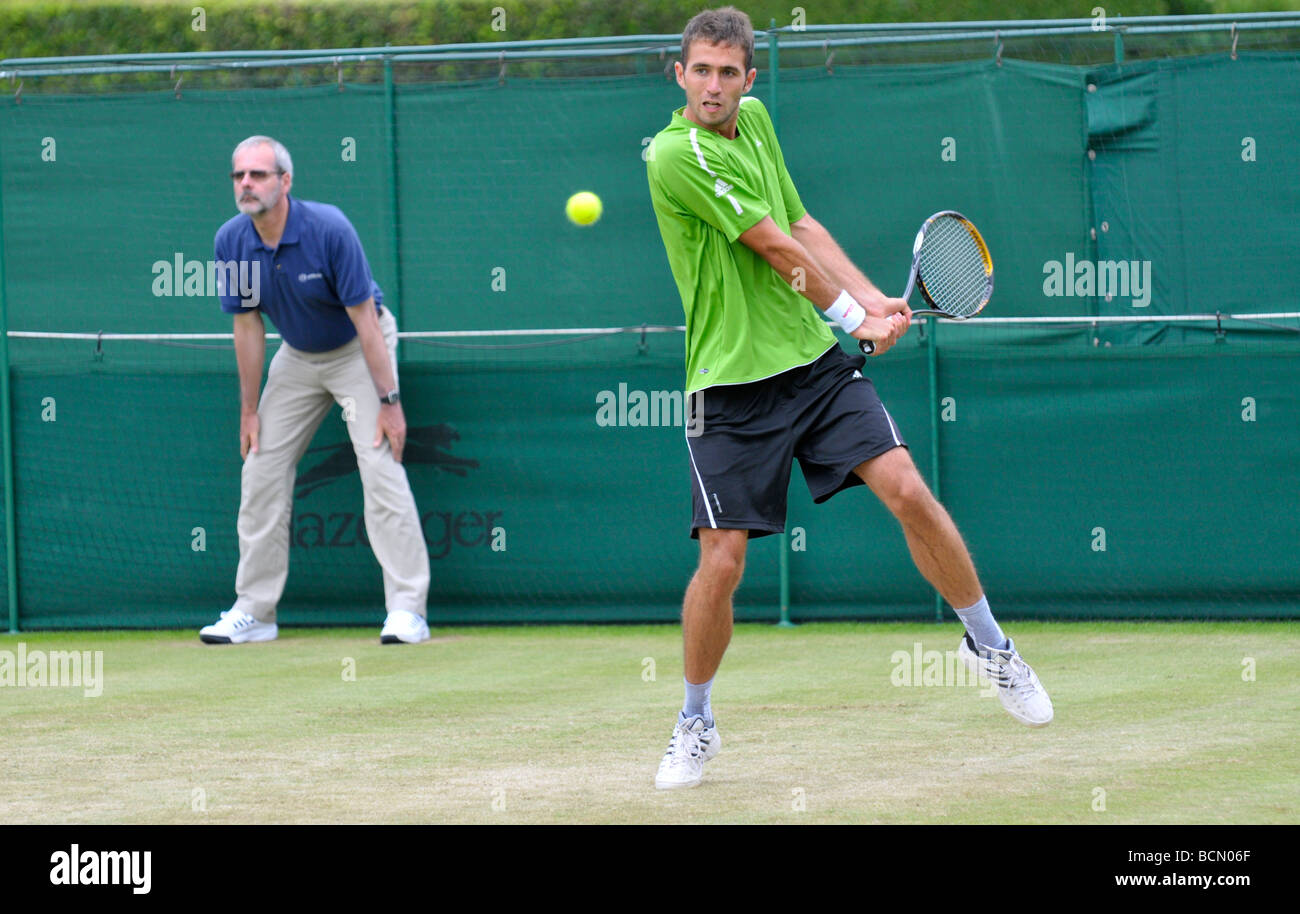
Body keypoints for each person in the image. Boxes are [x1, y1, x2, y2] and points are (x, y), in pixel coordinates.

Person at [645, 8, 1052, 789]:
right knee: (723, 562)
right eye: (701, 70)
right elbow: (770, 247)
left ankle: (991, 646)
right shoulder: (675, 154)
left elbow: (800, 221)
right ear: (680, 74)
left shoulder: (755, 124)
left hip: (811, 369)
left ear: (749, 79)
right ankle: (695, 720)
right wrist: (849, 314)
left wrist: (870, 298)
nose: (715, 86)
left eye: (729, 72)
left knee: (908, 490)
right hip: (727, 388)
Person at [199, 135, 431, 645]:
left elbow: (366, 323)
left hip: (357, 348)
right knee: (259, 469)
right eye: (239, 175)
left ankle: (407, 611)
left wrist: (389, 403)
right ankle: (255, 613)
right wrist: (248, 410)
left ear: (285, 181)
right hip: (298, 357)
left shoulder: (328, 228)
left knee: (379, 468)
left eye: (258, 174)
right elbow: (248, 327)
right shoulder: (232, 240)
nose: (246, 184)